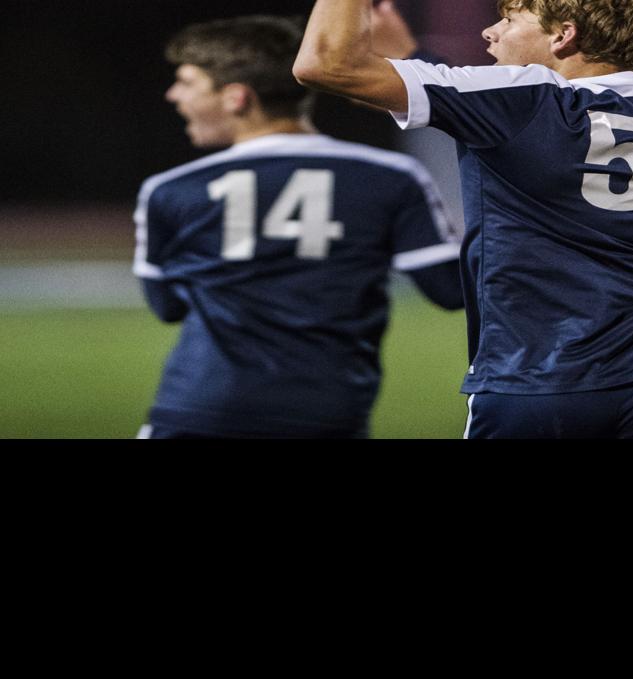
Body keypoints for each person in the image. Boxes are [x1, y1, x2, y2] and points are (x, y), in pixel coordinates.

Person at [295, 0, 633, 439]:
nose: (490, 31)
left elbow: (326, 63)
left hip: (538, 387)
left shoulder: (523, 96)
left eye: (508, 20)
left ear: (564, 36)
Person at [134, 14, 464, 439]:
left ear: (236, 97)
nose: (173, 95)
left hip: (200, 404)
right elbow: (449, 290)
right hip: (327, 410)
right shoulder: (390, 176)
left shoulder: (171, 190)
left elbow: (167, 307)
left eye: (187, 82)